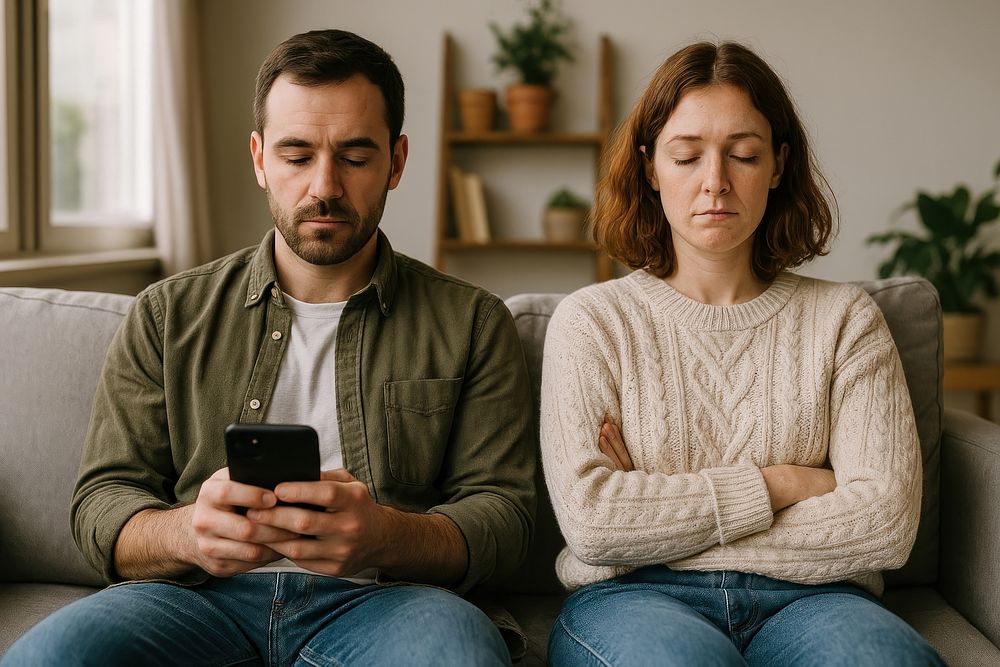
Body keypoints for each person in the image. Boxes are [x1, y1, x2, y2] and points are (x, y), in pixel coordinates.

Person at [3, 29, 534, 666]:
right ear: (259, 158)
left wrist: (384, 536)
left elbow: (506, 520)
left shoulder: (473, 322)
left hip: (388, 602)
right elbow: (101, 503)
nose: (324, 187)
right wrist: (189, 533)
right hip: (196, 599)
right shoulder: (167, 314)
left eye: (355, 157)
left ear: (397, 160)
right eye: (296, 154)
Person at [540, 41, 942, 665]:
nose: (715, 183)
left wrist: (659, 513)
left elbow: (885, 525)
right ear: (650, 167)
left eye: (744, 154)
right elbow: (595, 526)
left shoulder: (844, 319)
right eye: (686, 155)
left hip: (819, 600)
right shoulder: (593, 323)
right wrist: (784, 483)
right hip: (636, 599)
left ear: (778, 165)